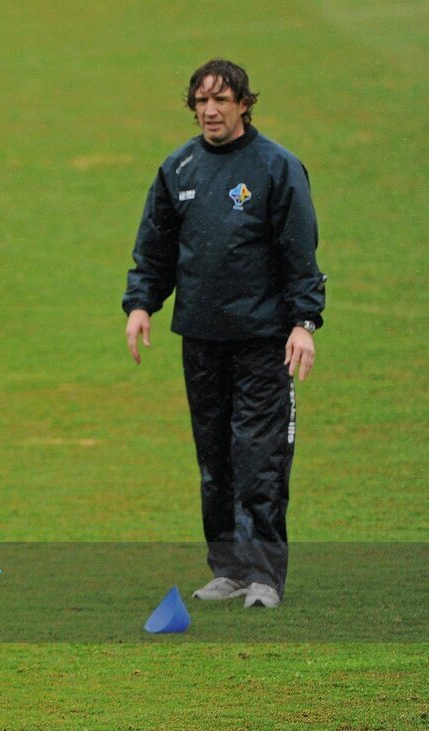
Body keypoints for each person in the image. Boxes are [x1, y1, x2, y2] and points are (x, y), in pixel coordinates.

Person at [122, 59, 326, 609]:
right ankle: (229, 568)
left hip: (264, 340)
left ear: (243, 104)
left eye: (222, 99)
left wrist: (303, 323)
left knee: (258, 457)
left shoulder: (276, 167)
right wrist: (141, 303)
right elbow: (156, 246)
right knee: (214, 459)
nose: (210, 110)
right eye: (201, 101)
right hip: (202, 339)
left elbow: (299, 252)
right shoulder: (179, 168)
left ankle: (264, 577)